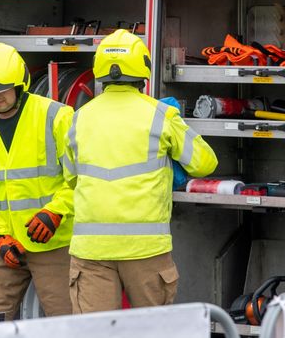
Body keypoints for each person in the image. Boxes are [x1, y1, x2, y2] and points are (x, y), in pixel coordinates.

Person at [63, 29, 218, 313]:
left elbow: (70, 176)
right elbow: (205, 163)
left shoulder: (79, 117)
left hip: (91, 251)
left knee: (94, 334)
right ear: (142, 72)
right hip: (145, 250)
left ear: (100, 71)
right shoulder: (160, 115)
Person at [0, 42, 74, 323]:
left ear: (21, 84)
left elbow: (82, 179)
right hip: (4, 245)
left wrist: (55, 212)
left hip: (54, 242)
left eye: (1, 90)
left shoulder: (57, 117)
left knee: (71, 325)